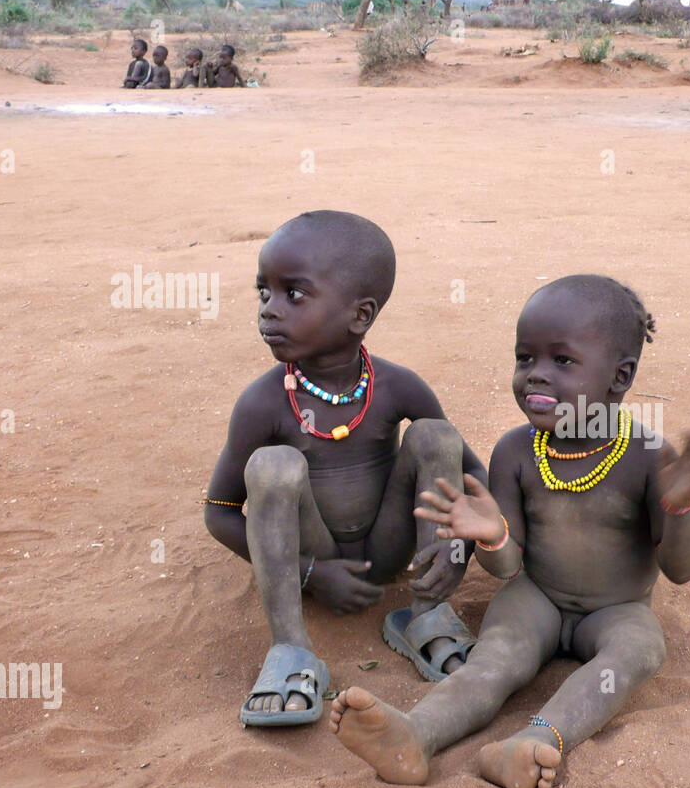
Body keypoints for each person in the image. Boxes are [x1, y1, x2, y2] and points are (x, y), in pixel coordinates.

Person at [331, 275, 690, 788]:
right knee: (494, 662)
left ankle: (534, 738)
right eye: (525, 358)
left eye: (563, 361)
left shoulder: (647, 454)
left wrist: (678, 508)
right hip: (537, 596)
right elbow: (507, 568)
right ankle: (417, 735)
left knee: (640, 650)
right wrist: (493, 536)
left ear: (620, 377)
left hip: (617, 608)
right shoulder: (515, 451)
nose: (537, 375)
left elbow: (682, 570)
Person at [204, 211, 487, 726]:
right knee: (272, 465)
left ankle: (425, 615)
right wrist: (312, 573)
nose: (269, 310)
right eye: (262, 292)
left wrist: (456, 544)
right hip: (313, 560)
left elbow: (473, 480)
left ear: (360, 316)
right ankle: (290, 647)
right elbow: (220, 511)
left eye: (294, 294)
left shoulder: (399, 387)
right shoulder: (262, 404)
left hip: (391, 549)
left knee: (435, 435)